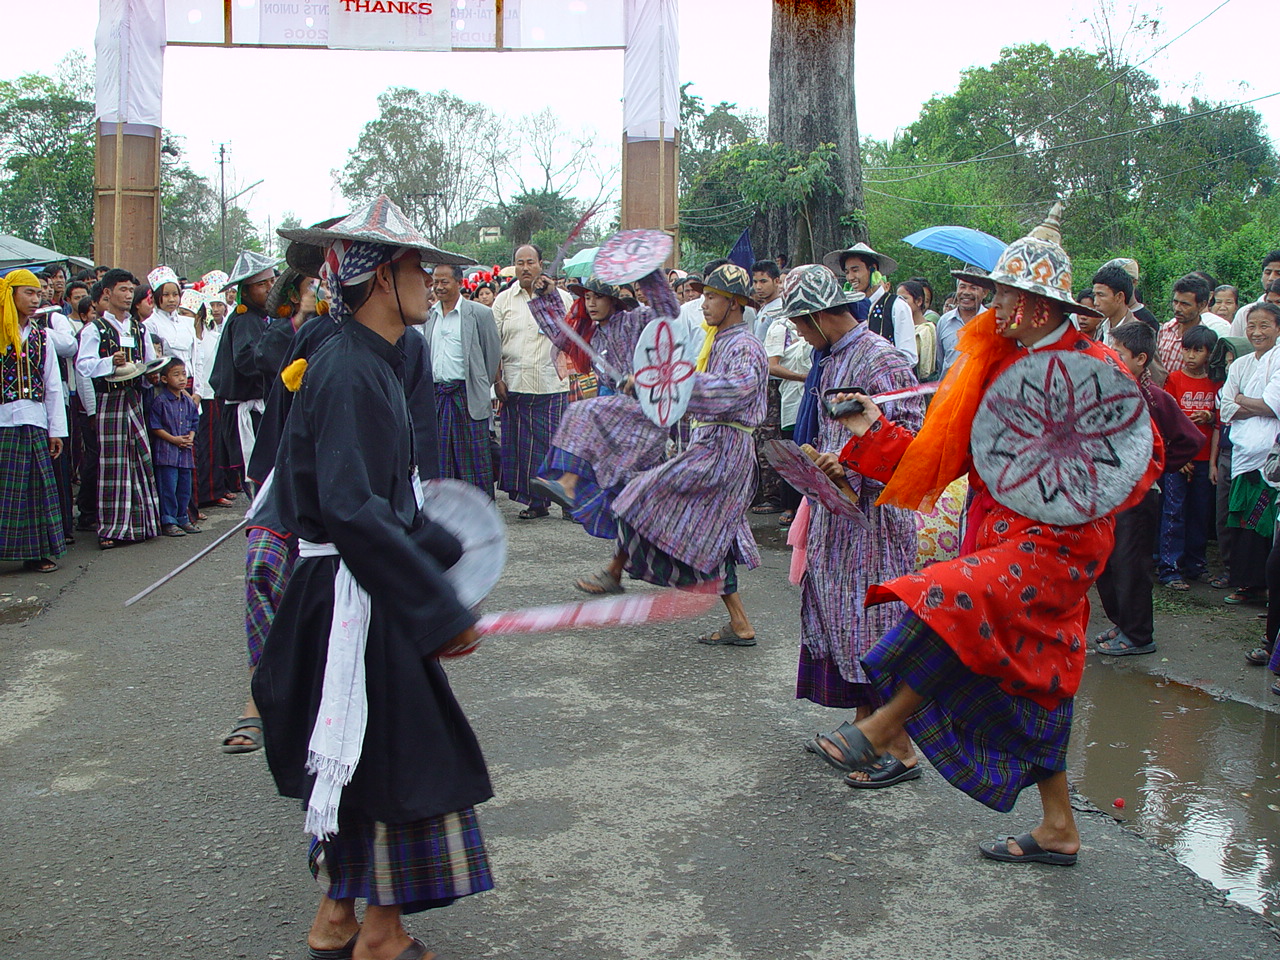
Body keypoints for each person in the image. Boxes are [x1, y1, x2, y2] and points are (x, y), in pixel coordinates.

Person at [810, 206, 1162, 863]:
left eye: (1008, 295)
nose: (995, 305)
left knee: (953, 601)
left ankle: (886, 726)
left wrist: (1062, 461)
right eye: (996, 291)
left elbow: (1141, 466)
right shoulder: (990, 364)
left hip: (1060, 546)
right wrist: (868, 430)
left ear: (1042, 304)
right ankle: (1059, 826)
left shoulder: (1097, 371)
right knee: (1038, 684)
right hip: (995, 536)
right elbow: (945, 458)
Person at [253, 197, 493, 960]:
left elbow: (385, 505)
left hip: (363, 587)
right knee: (403, 759)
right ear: (385, 278)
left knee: (370, 757)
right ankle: (381, 934)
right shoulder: (350, 370)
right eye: (422, 268)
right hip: (349, 598)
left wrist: (444, 552)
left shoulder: (373, 362)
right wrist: (434, 607)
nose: (434, 280)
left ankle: (339, 919)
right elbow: (352, 510)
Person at [777, 265, 926, 789]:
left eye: (799, 323)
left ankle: (900, 749)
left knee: (874, 625)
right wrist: (821, 458)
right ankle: (871, 731)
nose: (797, 333)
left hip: (875, 521)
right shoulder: (833, 357)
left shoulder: (881, 359)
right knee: (844, 621)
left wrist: (851, 465)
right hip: (837, 518)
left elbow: (912, 441)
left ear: (818, 316)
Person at [527, 271, 678, 586]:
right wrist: (546, 297)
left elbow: (668, 311)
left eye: (597, 296)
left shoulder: (637, 320)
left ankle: (568, 482)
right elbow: (561, 333)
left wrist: (649, 273)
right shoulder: (595, 336)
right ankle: (614, 570)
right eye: (587, 297)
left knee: (584, 409)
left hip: (646, 419)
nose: (591, 303)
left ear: (614, 299)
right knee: (628, 499)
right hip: (622, 426)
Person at [1094, 322, 1202, 655]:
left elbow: (1192, 439)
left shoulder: (1155, 398)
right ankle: (1122, 622)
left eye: (1119, 354)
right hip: (1105, 496)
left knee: (1130, 565)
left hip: (1137, 498)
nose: (1110, 359)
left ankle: (1139, 635)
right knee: (1105, 564)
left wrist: (1156, 465)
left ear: (1141, 359)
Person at [75, 268, 160, 549]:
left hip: (134, 396)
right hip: (110, 400)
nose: (127, 295)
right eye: (122, 290)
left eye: (130, 290)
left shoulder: (138, 327)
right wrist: (110, 362)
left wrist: (152, 372)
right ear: (107, 294)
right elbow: (83, 365)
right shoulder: (95, 329)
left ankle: (142, 523)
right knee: (113, 463)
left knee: (139, 458)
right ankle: (111, 528)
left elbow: (148, 361)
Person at [492, 244, 572, 519]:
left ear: (540, 264)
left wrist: (549, 297)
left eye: (530, 262)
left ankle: (568, 503)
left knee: (557, 446)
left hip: (552, 384)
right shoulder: (504, 300)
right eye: (519, 262)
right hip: (515, 384)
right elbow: (494, 344)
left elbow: (571, 335)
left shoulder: (561, 297)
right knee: (524, 452)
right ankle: (536, 504)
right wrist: (498, 379)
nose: (525, 268)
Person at [0, 269, 67, 572]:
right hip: (3, 420)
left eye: (38, 293)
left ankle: (38, 551)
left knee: (38, 488)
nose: (35, 299)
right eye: (28, 292)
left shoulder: (42, 336)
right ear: (10, 294)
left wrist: (56, 430)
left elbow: (53, 384)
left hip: (35, 419)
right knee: (6, 490)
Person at [1218, 302, 1280, 605]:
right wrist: (1248, 403)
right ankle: (1246, 583)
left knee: (1265, 524)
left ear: (1278, 329)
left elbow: (1272, 405)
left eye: (1264, 325)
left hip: (1269, 457)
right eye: (1252, 325)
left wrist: (1242, 401)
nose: (1256, 332)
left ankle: (1264, 586)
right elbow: (1225, 407)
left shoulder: (1278, 360)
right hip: (1243, 453)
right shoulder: (1241, 364)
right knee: (1242, 521)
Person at [424, 262, 500, 495]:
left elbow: (492, 355)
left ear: (459, 283)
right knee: (442, 459)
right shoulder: (429, 315)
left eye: (444, 281)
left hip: (467, 395)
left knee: (474, 462)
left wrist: (478, 384)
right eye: (435, 282)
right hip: (438, 396)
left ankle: (480, 517)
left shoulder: (479, 313)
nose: (439, 287)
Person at [1158, 325, 1220, 590]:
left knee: (1199, 513)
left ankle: (1196, 564)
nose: (1191, 355)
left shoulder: (1216, 382)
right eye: (1187, 349)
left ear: (1209, 353)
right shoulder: (1173, 379)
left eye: (1198, 350)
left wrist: (1209, 416)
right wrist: (1178, 457)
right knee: (1174, 512)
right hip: (1178, 459)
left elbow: (1221, 418)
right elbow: (1166, 421)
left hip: (1205, 457)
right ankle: (1169, 568)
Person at [210, 250, 278, 487]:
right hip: (247, 412)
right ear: (246, 291)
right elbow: (247, 360)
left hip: (259, 409)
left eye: (272, 281)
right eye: (262, 284)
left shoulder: (261, 317)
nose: (270, 287)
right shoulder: (245, 319)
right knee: (259, 483)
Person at [821, 241, 916, 365]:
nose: (850, 277)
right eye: (847, 272)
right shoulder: (847, 309)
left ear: (873, 269)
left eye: (855, 270)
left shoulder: (896, 306)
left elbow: (908, 356)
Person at [762, 299, 812, 527]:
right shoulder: (779, 327)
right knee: (792, 450)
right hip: (793, 397)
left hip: (813, 396)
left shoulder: (815, 324)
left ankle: (807, 506)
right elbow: (772, 365)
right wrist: (802, 377)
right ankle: (790, 505)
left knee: (812, 450)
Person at [148, 357, 200, 538]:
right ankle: (168, 520)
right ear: (164, 379)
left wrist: (190, 437)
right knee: (168, 487)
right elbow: (155, 426)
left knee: (184, 487)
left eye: (184, 374)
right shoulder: (161, 401)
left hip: (185, 452)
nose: (181, 379)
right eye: (176, 375)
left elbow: (194, 421)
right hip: (167, 452)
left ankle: (182, 517)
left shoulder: (187, 401)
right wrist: (174, 439)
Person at [935, 266, 993, 374]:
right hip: (948, 389)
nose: (966, 292)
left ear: (985, 293)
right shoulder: (944, 321)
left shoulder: (992, 323)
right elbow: (940, 360)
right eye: (962, 287)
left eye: (973, 288)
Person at [1156, 275, 1214, 374]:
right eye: (1175, 302)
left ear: (1202, 305)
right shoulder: (1166, 329)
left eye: (1185, 304)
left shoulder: (1204, 339)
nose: (1177, 308)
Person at [144, 266, 197, 368]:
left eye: (175, 294)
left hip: (190, 379)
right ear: (155, 296)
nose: (171, 299)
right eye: (166, 295)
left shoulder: (187, 323)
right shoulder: (150, 324)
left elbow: (196, 358)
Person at [1231, 251, 1280, 337]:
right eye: (1268, 273)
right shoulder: (1245, 312)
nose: (1271, 278)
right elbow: (1233, 347)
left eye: (1278, 273)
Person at [897, 279, 938, 382]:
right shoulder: (900, 327)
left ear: (919, 301)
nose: (900, 303)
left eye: (904, 299)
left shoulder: (926, 330)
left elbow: (925, 369)